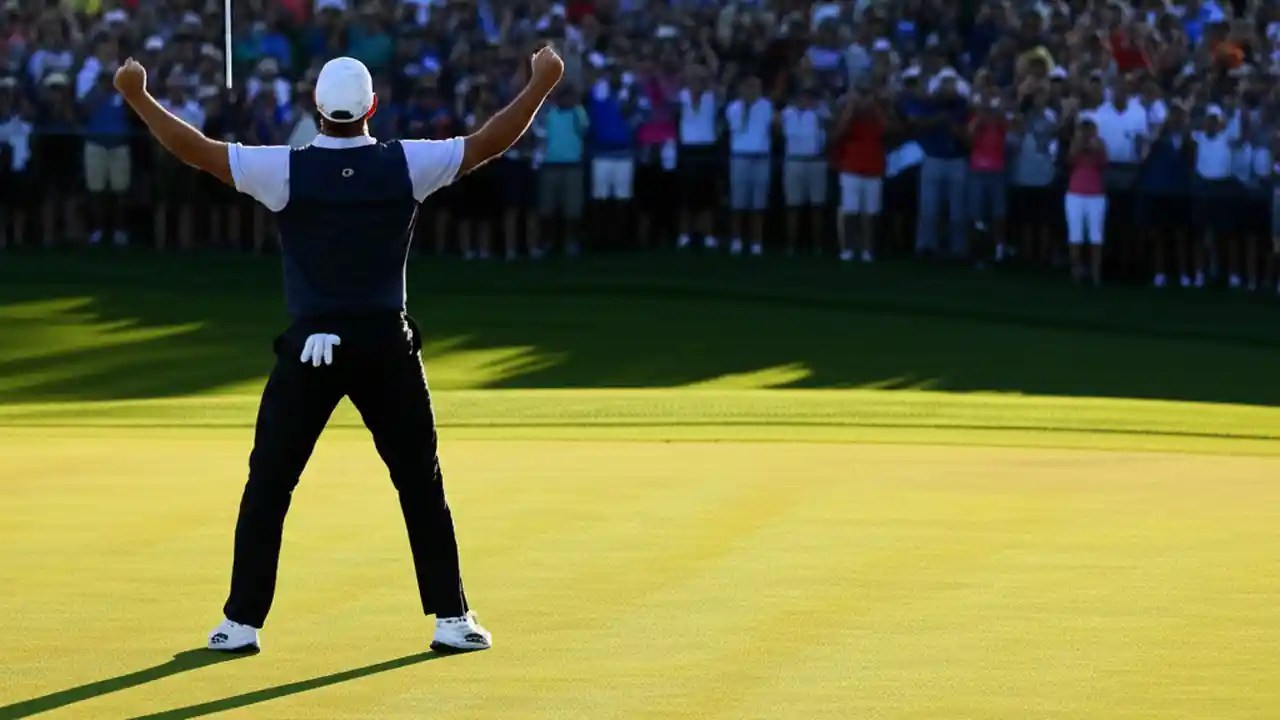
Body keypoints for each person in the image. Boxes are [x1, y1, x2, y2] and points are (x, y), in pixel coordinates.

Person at [112, 47, 565, 653]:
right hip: (386, 345)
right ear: (373, 106)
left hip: (310, 349)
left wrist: (138, 94)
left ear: (315, 110)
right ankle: (452, 619)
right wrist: (542, 81)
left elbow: (196, 151)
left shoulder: (287, 168)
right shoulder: (407, 162)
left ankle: (241, 624)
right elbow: (489, 141)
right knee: (419, 484)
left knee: (270, 485)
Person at [1065, 117, 1108, 285]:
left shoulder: (1100, 145)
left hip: (1096, 195)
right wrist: (1079, 147)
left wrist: (1096, 150)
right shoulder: (1075, 145)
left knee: (1096, 235)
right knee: (1075, 234)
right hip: (1075, 193)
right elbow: (1069, 161)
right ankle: (1076, 270)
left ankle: (1095, 272)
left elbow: (1104, 163)